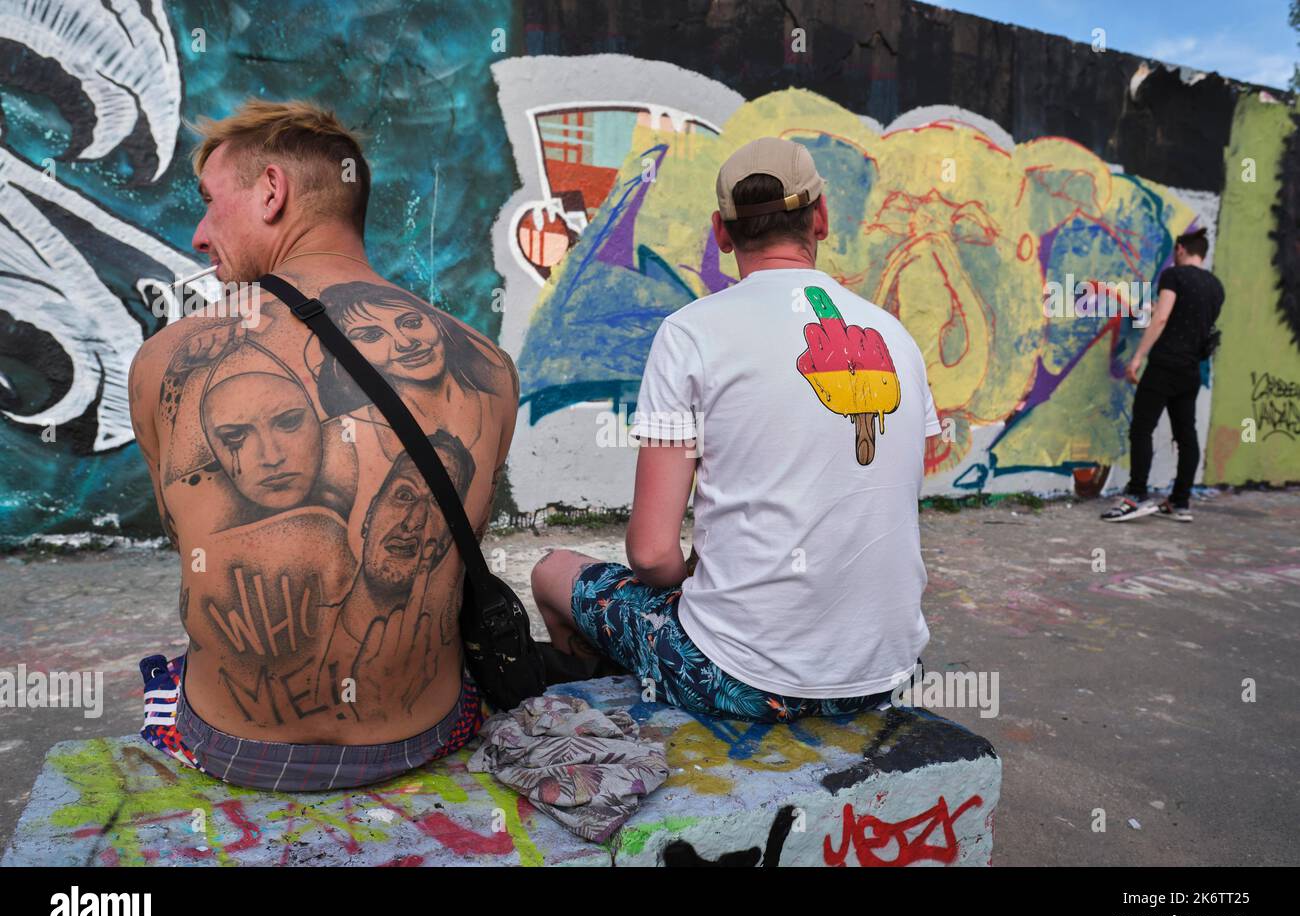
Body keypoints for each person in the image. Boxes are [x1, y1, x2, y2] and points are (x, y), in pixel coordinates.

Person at [128, 99, 519, 791]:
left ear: (271, 191)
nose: (198, 235)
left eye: (210, 202)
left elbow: (191, 549)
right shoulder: (487, 363)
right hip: (422, 732)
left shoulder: (163, 361)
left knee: (167, 674)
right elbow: (456, 558)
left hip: (233, 745)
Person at [530, 137, 941, 722]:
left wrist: (690, 582)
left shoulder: (692, 333)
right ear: (820, 218)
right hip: (884, 674)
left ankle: (622, 701)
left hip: (740, 679)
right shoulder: (895, 337)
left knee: (552, 572)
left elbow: (649, 556)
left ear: (722, 234)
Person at [1102, 228, 1223, 523]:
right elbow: (1191, 321)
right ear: (1203, 253)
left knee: (1142, 428)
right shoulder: (1216, 287)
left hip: (1164, 365)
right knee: (1186, 435)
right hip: (1190, 371)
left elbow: (1163, 317)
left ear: (1180, 249)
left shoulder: (1174, 276)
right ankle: (1180, 502)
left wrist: (1137, 357)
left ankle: (1135, 495)